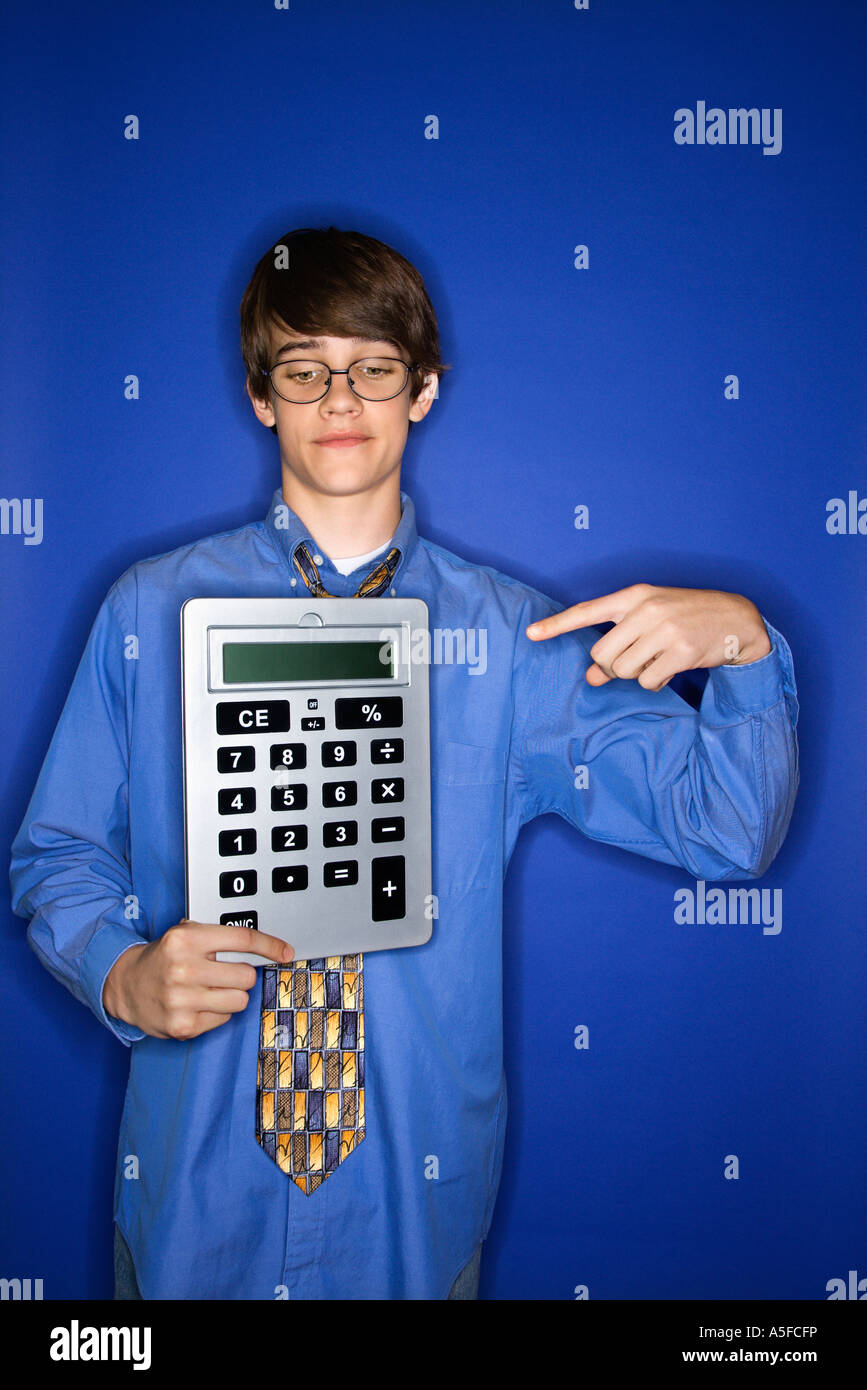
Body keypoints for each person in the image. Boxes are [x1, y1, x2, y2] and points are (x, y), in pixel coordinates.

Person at [9, 225, 799, 1301]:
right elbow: (55, 852)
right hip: (191, 1223)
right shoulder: (149, 610)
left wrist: (743, 640)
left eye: (374, 368)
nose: (340, 399)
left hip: (413, 1238)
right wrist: (119, 968)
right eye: (304, 369)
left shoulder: (513, 643)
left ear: (421, 389)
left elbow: (729, 827)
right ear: (261, 395)